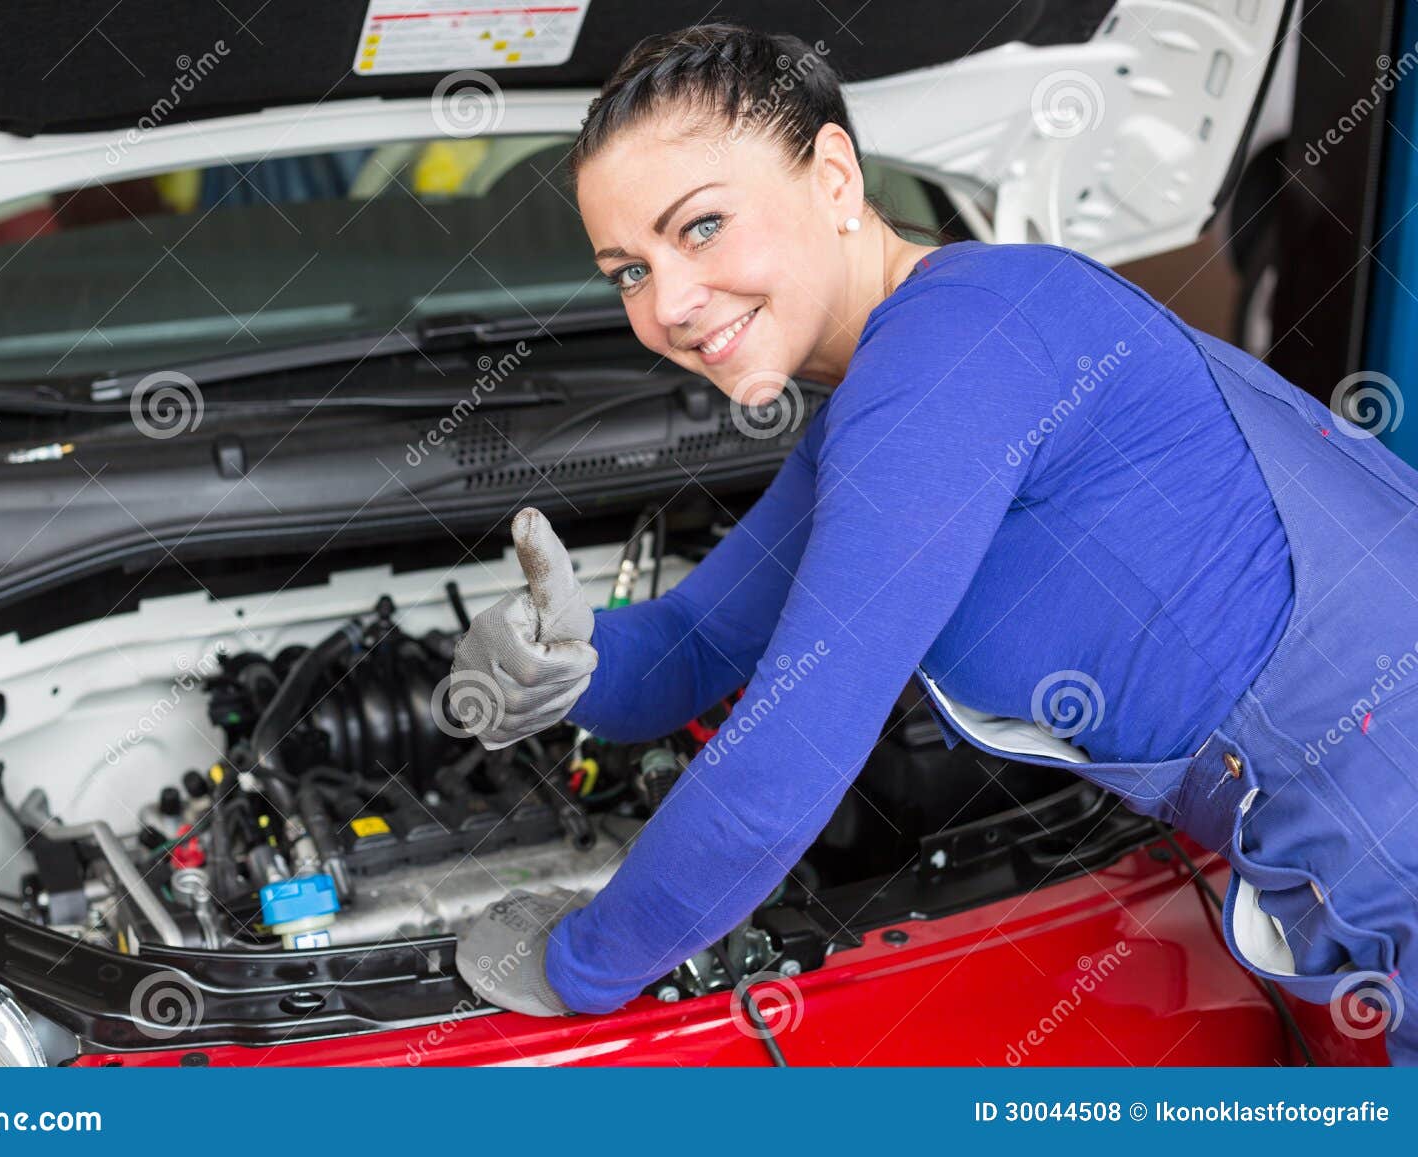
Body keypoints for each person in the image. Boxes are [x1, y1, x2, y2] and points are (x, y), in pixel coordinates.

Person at [449, 23, 1418, 1064]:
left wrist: (581, 961)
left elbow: (784, 763)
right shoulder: (919, 367)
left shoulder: (958, 349)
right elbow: (694, 640)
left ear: (831, 176)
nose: (668, 305)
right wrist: (571, 659)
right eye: (626, 270)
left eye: (701, 227)